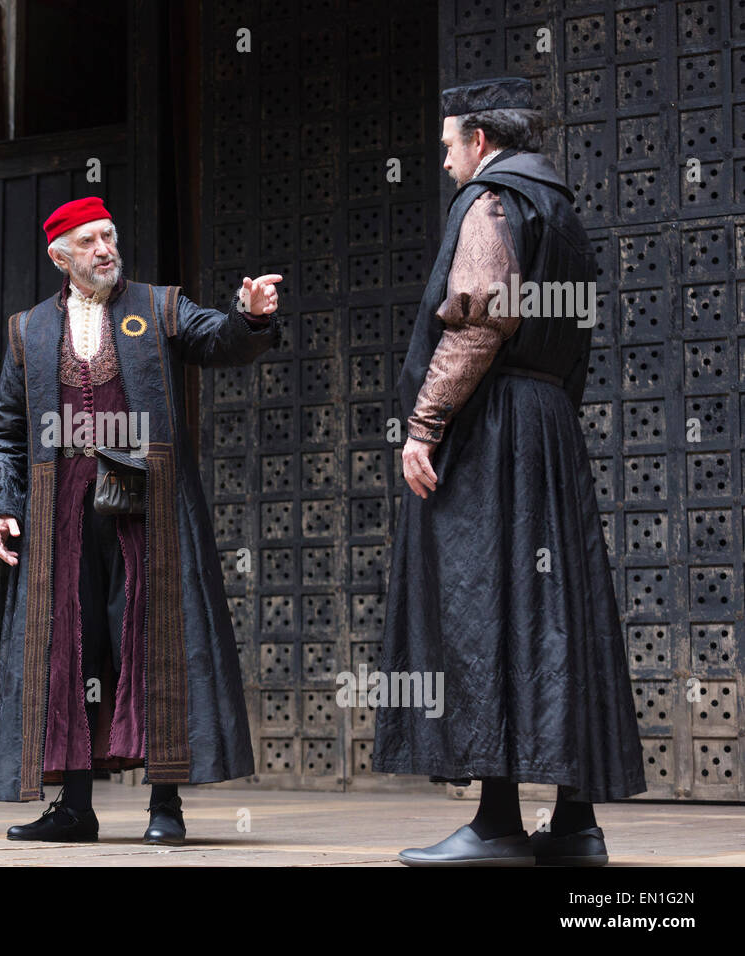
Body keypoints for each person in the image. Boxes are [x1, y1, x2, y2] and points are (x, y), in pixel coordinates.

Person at [372, 78, 646, 866]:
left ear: (481, 142)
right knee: (557, 614)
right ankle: (576, 826)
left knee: (481, 606)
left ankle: (496, 823)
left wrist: (423, 425)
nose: (448, 163)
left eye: (451, 146)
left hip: (493, 427)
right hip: (548, 423)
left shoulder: (492, 201)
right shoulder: (560, 208)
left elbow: (483, 313)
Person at [0, 196, 281, 843]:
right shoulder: (29, 330)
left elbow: (219, 339)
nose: (104, 249)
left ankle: (164, 807)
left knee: (153, 643)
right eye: (89, 241)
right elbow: (6, 431)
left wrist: (249, 317)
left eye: (109, 236)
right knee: (71, 650)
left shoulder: (159, 307)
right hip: (60, 512)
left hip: (144, 506)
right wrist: (2, 507)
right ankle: (74, 808)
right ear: (60, 256)